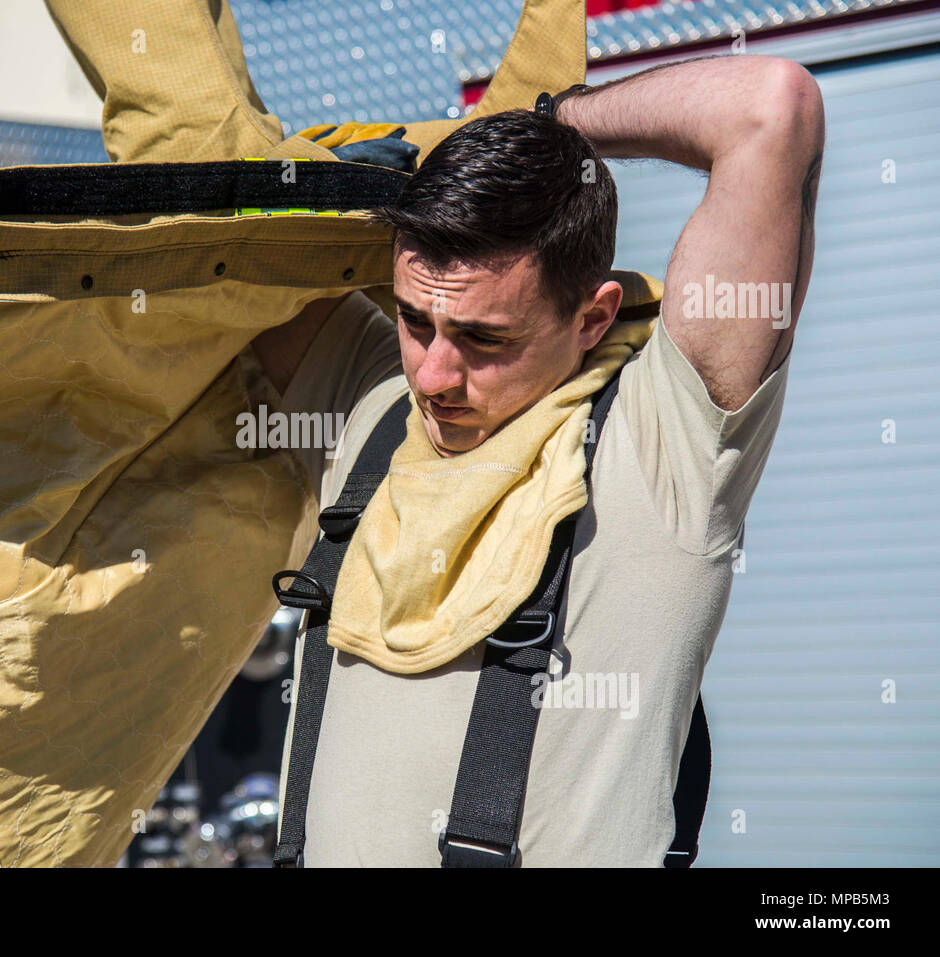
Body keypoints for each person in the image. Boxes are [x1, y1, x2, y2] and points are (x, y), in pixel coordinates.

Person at [271, 55, 824, 866]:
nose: (432, 375)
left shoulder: (662, 443)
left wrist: (548, 123)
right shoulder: (374, 400)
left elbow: (770, 109)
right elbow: (216, 241)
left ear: (593, 319)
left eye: (485, 339)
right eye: (415, 319)